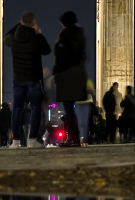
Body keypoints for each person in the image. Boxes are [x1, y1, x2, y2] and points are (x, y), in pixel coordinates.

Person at [5, 11, 51, 146]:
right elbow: (47, 50)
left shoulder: (13, 38)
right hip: (33, 78)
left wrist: (18, 26)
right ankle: (32, 140)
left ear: (20, 22)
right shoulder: (37, 38)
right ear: (34, 23)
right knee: (36, 109)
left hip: (18, 78)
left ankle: (16, 141)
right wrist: (39, 33)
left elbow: (6, 37)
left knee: (17, 109)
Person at [52, 11, 90, 146]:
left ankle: (72, 137)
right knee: (72, 109)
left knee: (68, 109)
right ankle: (75, 137)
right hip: (79, 74)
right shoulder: (80, 35)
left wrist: (56, 71)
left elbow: (62, 56)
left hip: (67, 75)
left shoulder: (66, 35)